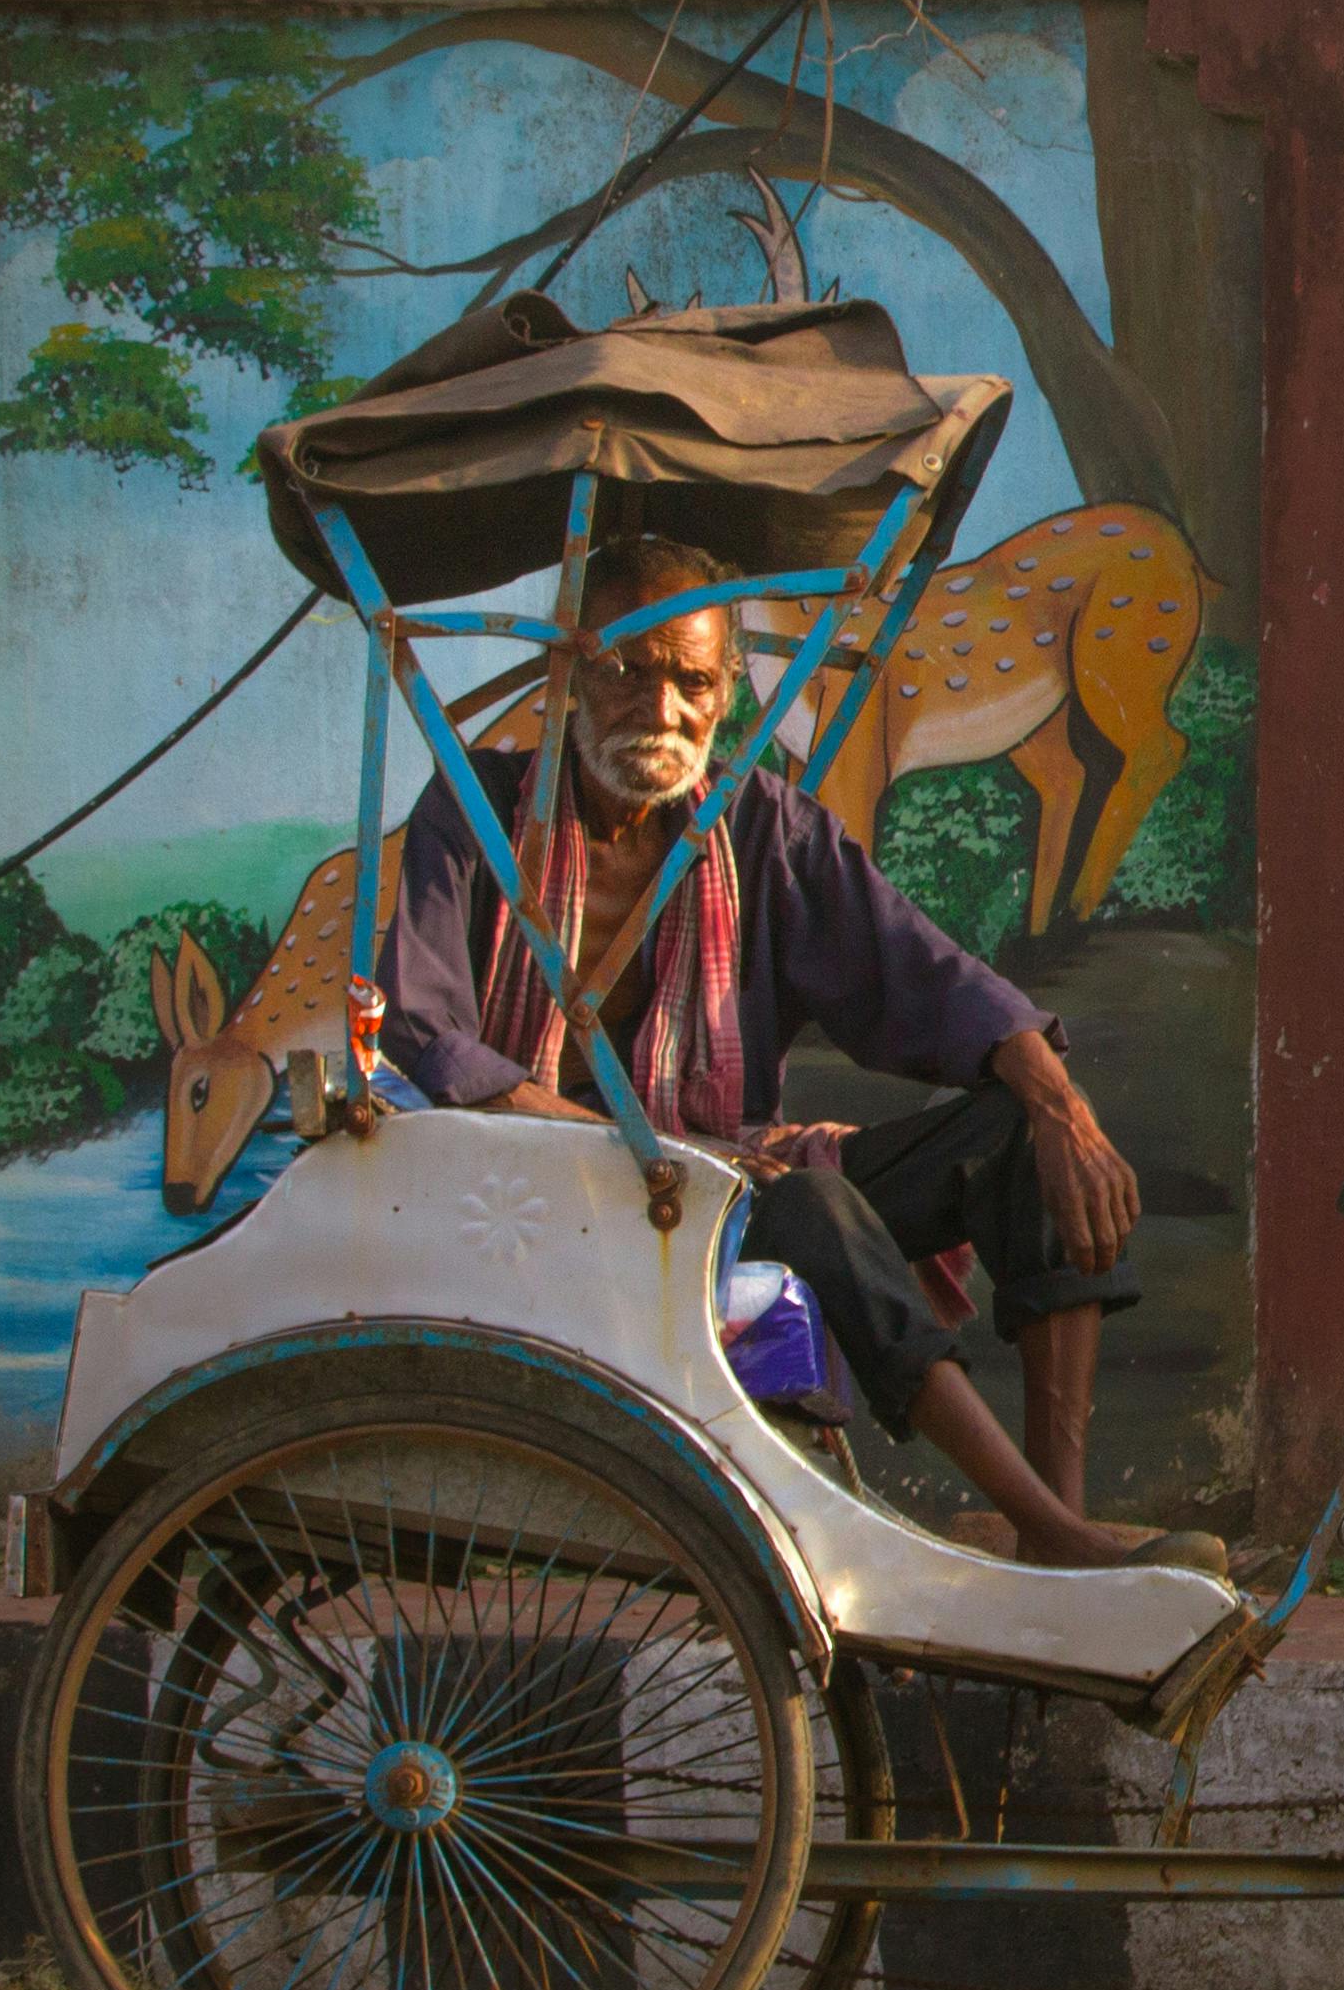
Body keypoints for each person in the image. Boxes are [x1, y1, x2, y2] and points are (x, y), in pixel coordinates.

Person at [380, 529, 1216, 1576]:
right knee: (810, 1205)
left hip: (730, 1181)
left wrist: (1060, 1106)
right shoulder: (474, 811)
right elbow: (427, 1035)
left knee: (1015, 1132)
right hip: (551, 1200)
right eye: (629, 670)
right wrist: (660, 1156)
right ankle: (1047, 1529)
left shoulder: (756, 826)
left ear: (730, 690)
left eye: (692, 681)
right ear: (571, 672)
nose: (662, 708)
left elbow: (922, 972)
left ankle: (1058, 1527)